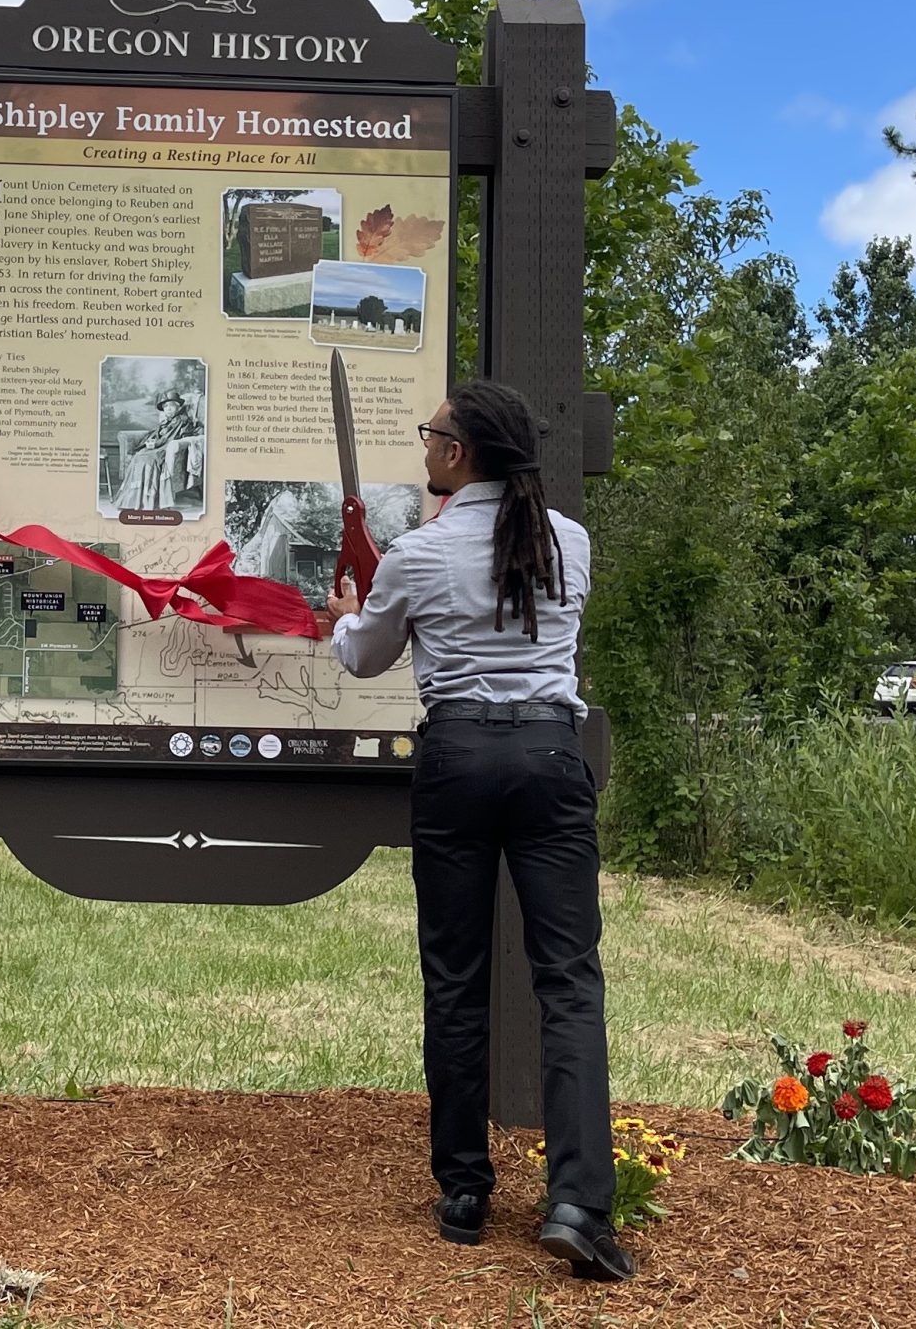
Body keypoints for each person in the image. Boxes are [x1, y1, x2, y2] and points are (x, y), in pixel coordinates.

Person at [324, 379, 627, 1282]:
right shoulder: (568, 541)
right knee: (569, 982)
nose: (426, 445)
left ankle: (464, 1190)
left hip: (454, 757)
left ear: (457, 455)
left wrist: (346, 614)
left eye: (433, 434)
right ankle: (577, 1202)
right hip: (548, 756)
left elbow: (366, 654)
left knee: (455, 976)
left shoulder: (418, 552)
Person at [112, 391, 200, 511]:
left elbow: (177, 437)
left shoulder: (182, 420)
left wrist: (158, 443)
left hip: (167, 448)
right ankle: (132, 500)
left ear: (178, 407)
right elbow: (156, 435)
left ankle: (149, 499)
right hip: (159, 446)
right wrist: (151, 441)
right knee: (138, 455)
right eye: (166, 407)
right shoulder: (165, 422)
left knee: (149, 459)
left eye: (171, 406)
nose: (168, 409)